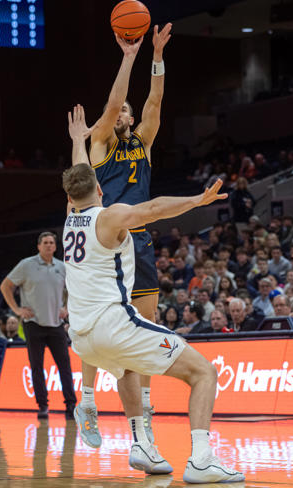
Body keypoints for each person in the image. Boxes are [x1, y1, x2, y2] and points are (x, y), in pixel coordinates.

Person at [60, 142, 242, 481]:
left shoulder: (70, 221)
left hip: (82, 339)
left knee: (127, 367)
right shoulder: (109, 216)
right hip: (113, 324)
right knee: (204, 373)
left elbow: (80, 179)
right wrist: (196, 201)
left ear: (70, 197)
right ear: (100, 189)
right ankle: (202, 459)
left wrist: (77, 143)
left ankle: (141, 443)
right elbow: (155, 207)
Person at [81, 27, 173, 441]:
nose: (119, 115)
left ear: (132, 119)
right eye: (115, 112)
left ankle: (147, 406)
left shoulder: (144, 142)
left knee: (147, 323)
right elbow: (114, 101)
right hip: (106, 241)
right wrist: (129, 56)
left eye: (124, 113)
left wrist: (156, 56)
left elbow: (155, 100)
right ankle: (86, 400)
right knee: (99, 323)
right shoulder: (99, 144)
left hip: (141, 241)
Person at [0, 231, 75, 419]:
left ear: (56, 246)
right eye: (45, 242)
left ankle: (71, 405)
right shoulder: (26, 265)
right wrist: (17, 310)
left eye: (52, 242)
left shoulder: (62, 267)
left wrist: (66, 307)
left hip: (56, 323)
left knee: (65, 366)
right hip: (33, 323)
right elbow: (5, 286)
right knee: (36, 367)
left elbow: (74, 289)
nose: (49, 245)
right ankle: (42, 405)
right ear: (38, 246)